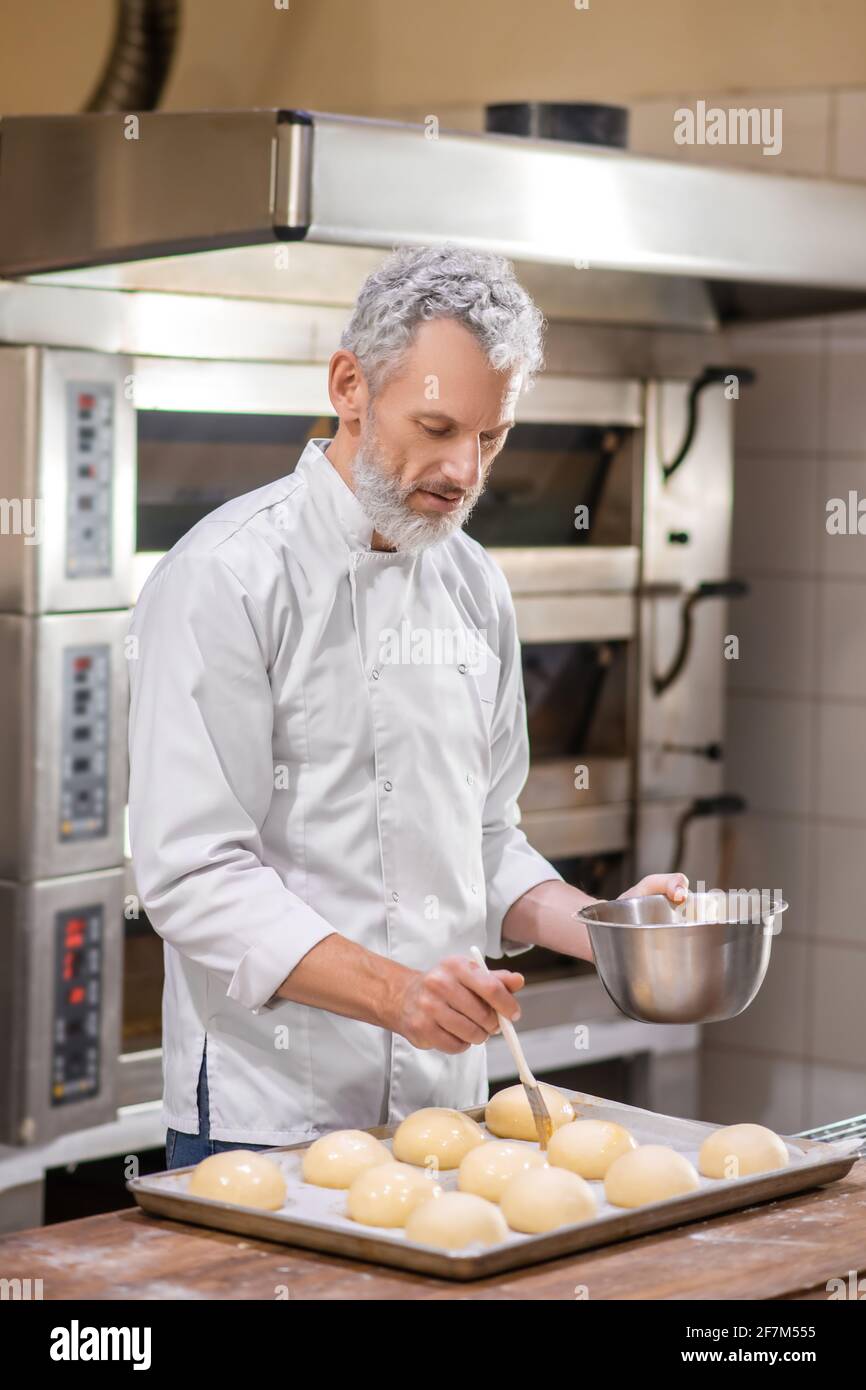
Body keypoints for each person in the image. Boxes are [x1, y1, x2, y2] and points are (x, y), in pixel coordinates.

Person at [126, 244, 687, 1169]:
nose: (465, 470)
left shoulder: (474, 586)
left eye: (493, 436)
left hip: (449, 1110)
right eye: (436, 426)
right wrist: (398, 996)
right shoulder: (227, 579)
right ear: (351, 385)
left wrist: (608, 930)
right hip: (267, 1115)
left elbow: (485, 837)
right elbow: (191, 873)